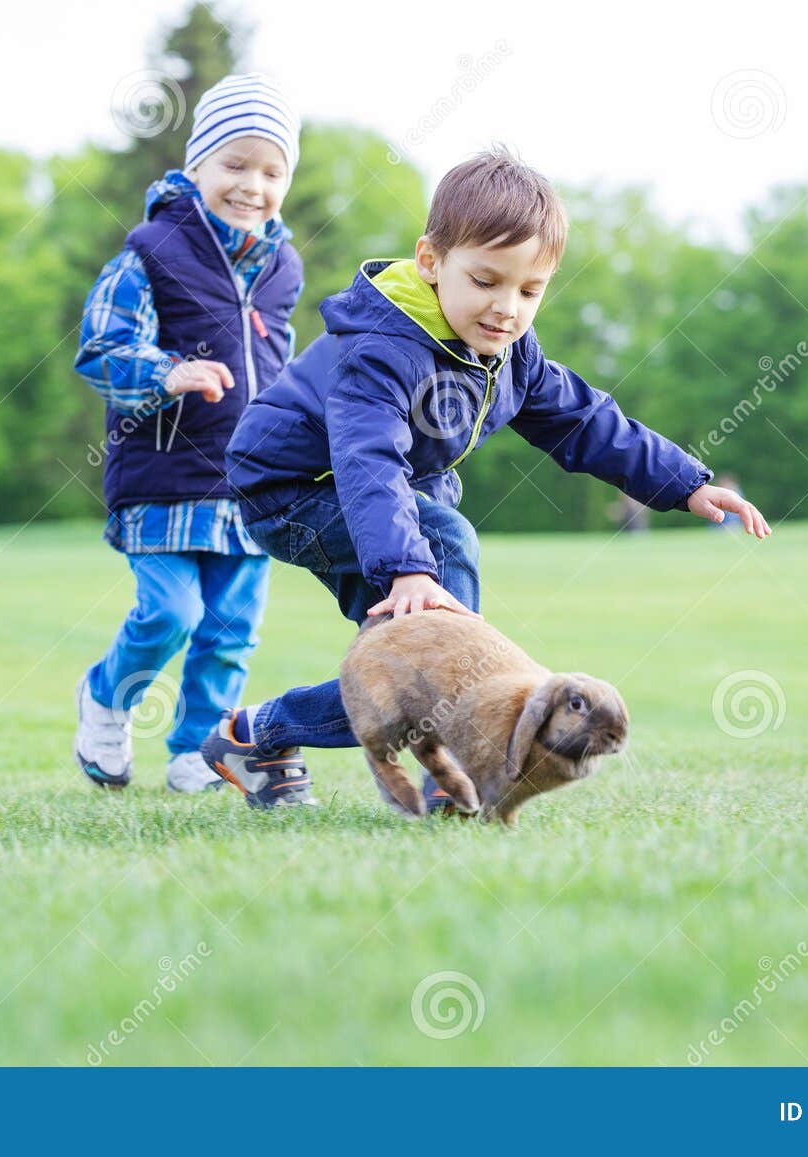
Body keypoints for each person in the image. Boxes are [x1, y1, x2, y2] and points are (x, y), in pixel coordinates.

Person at [202, 147, 769, 809]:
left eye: (529, 291)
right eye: (486, 280)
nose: (506, 307)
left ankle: (257, 734)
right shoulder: (381, 346)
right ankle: (454, 776)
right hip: (292, 489)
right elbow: (367, 460)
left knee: (408, 671)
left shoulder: (509, 354)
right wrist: (407, 567)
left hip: (392, 494)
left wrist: (684, 481)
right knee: (447, 559)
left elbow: (585, 420)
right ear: (431, 261)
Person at [73, 74, 303, 793]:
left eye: (272, 172)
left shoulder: (281, 266)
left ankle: (196, 749)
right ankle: (107, 699)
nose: (252, 186)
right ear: (197, 165)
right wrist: (168, 373)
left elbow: (280, 365)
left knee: (231, 629)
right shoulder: (150, 252)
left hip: (250, 486)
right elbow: (101, 349)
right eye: (234, 164)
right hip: (163, 480)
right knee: (172, 611)